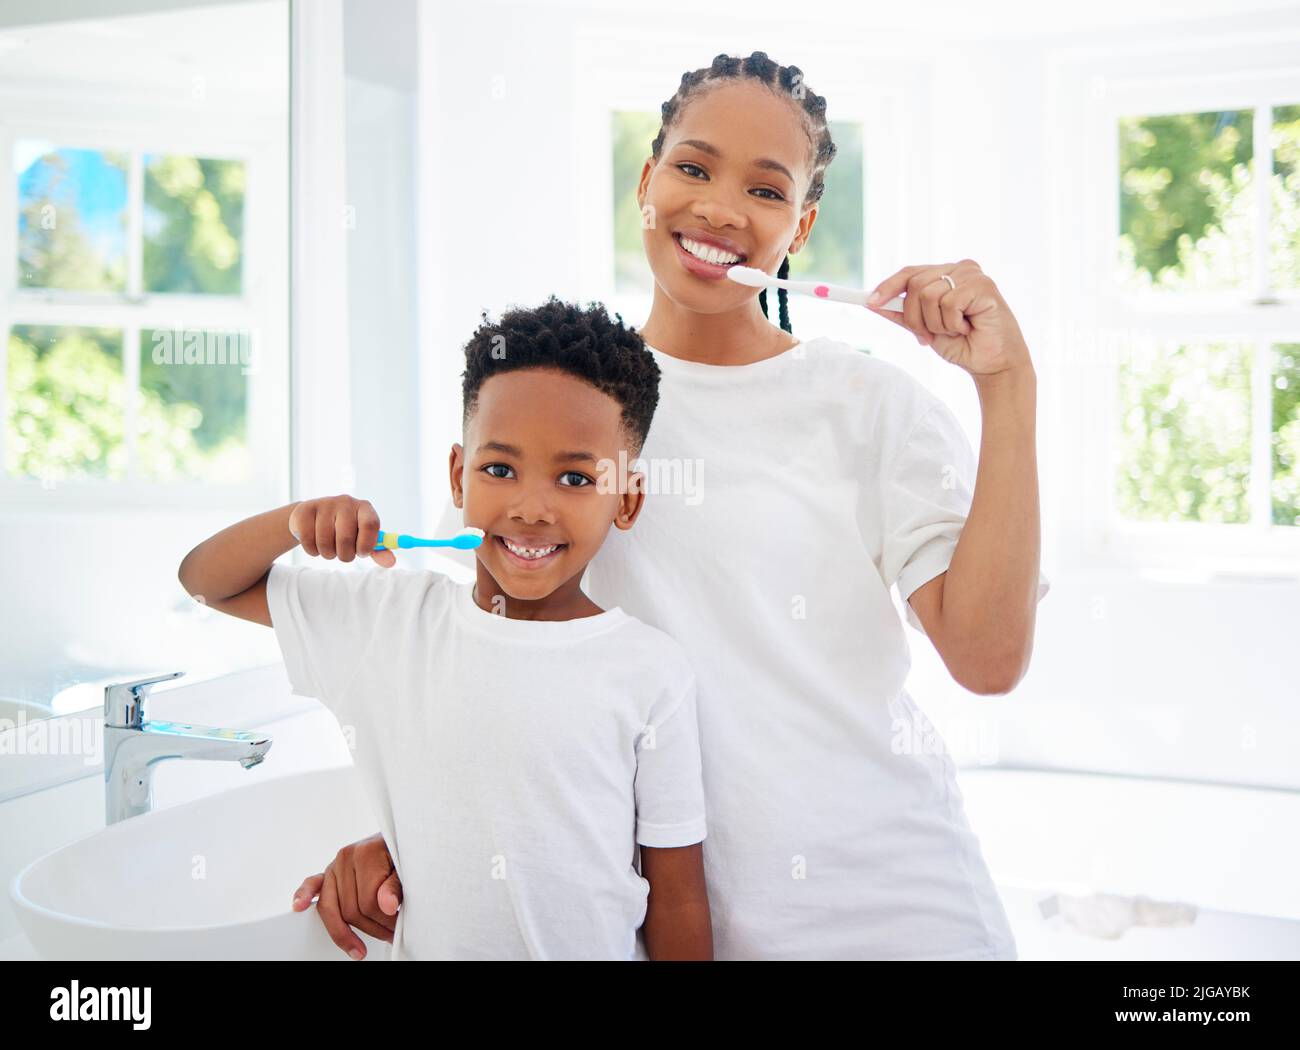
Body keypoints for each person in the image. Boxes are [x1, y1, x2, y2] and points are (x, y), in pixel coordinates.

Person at [304, 50, 1050, 961]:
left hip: (896, 911)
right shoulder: (563, 407)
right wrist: (417, 833)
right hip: (668, 929)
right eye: (692, 169)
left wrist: (1008, 387)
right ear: (646, 183)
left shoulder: (867, 405)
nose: (721, 208)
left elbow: (988, 659)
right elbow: (484, 673)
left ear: (801, 226)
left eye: (767, 192)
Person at [179, 300, 712, 960]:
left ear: (626, 498)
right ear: (459, 476)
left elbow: (679, 896)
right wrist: (298, 522)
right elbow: (205, 580)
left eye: (575, 477)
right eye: (499, 469)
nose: (530, 508)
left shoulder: (649, 671)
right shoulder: (388, 622)